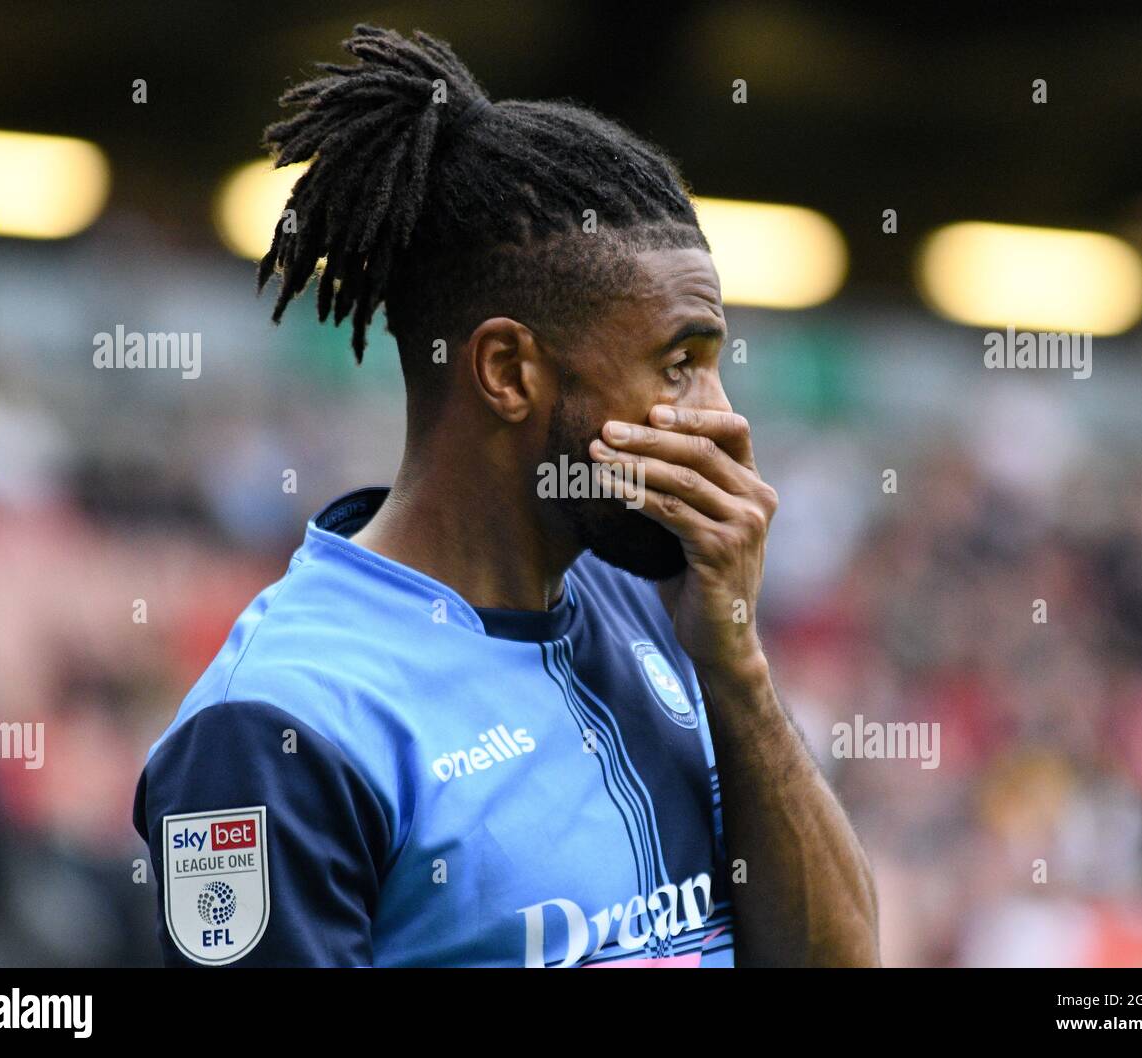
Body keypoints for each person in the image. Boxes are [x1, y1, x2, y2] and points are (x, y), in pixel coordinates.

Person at [132, 24, 879, 967]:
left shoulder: (653, 610)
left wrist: (737, 673)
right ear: (507, 371)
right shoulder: (275, 729)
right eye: (680, 365)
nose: (726, 420)